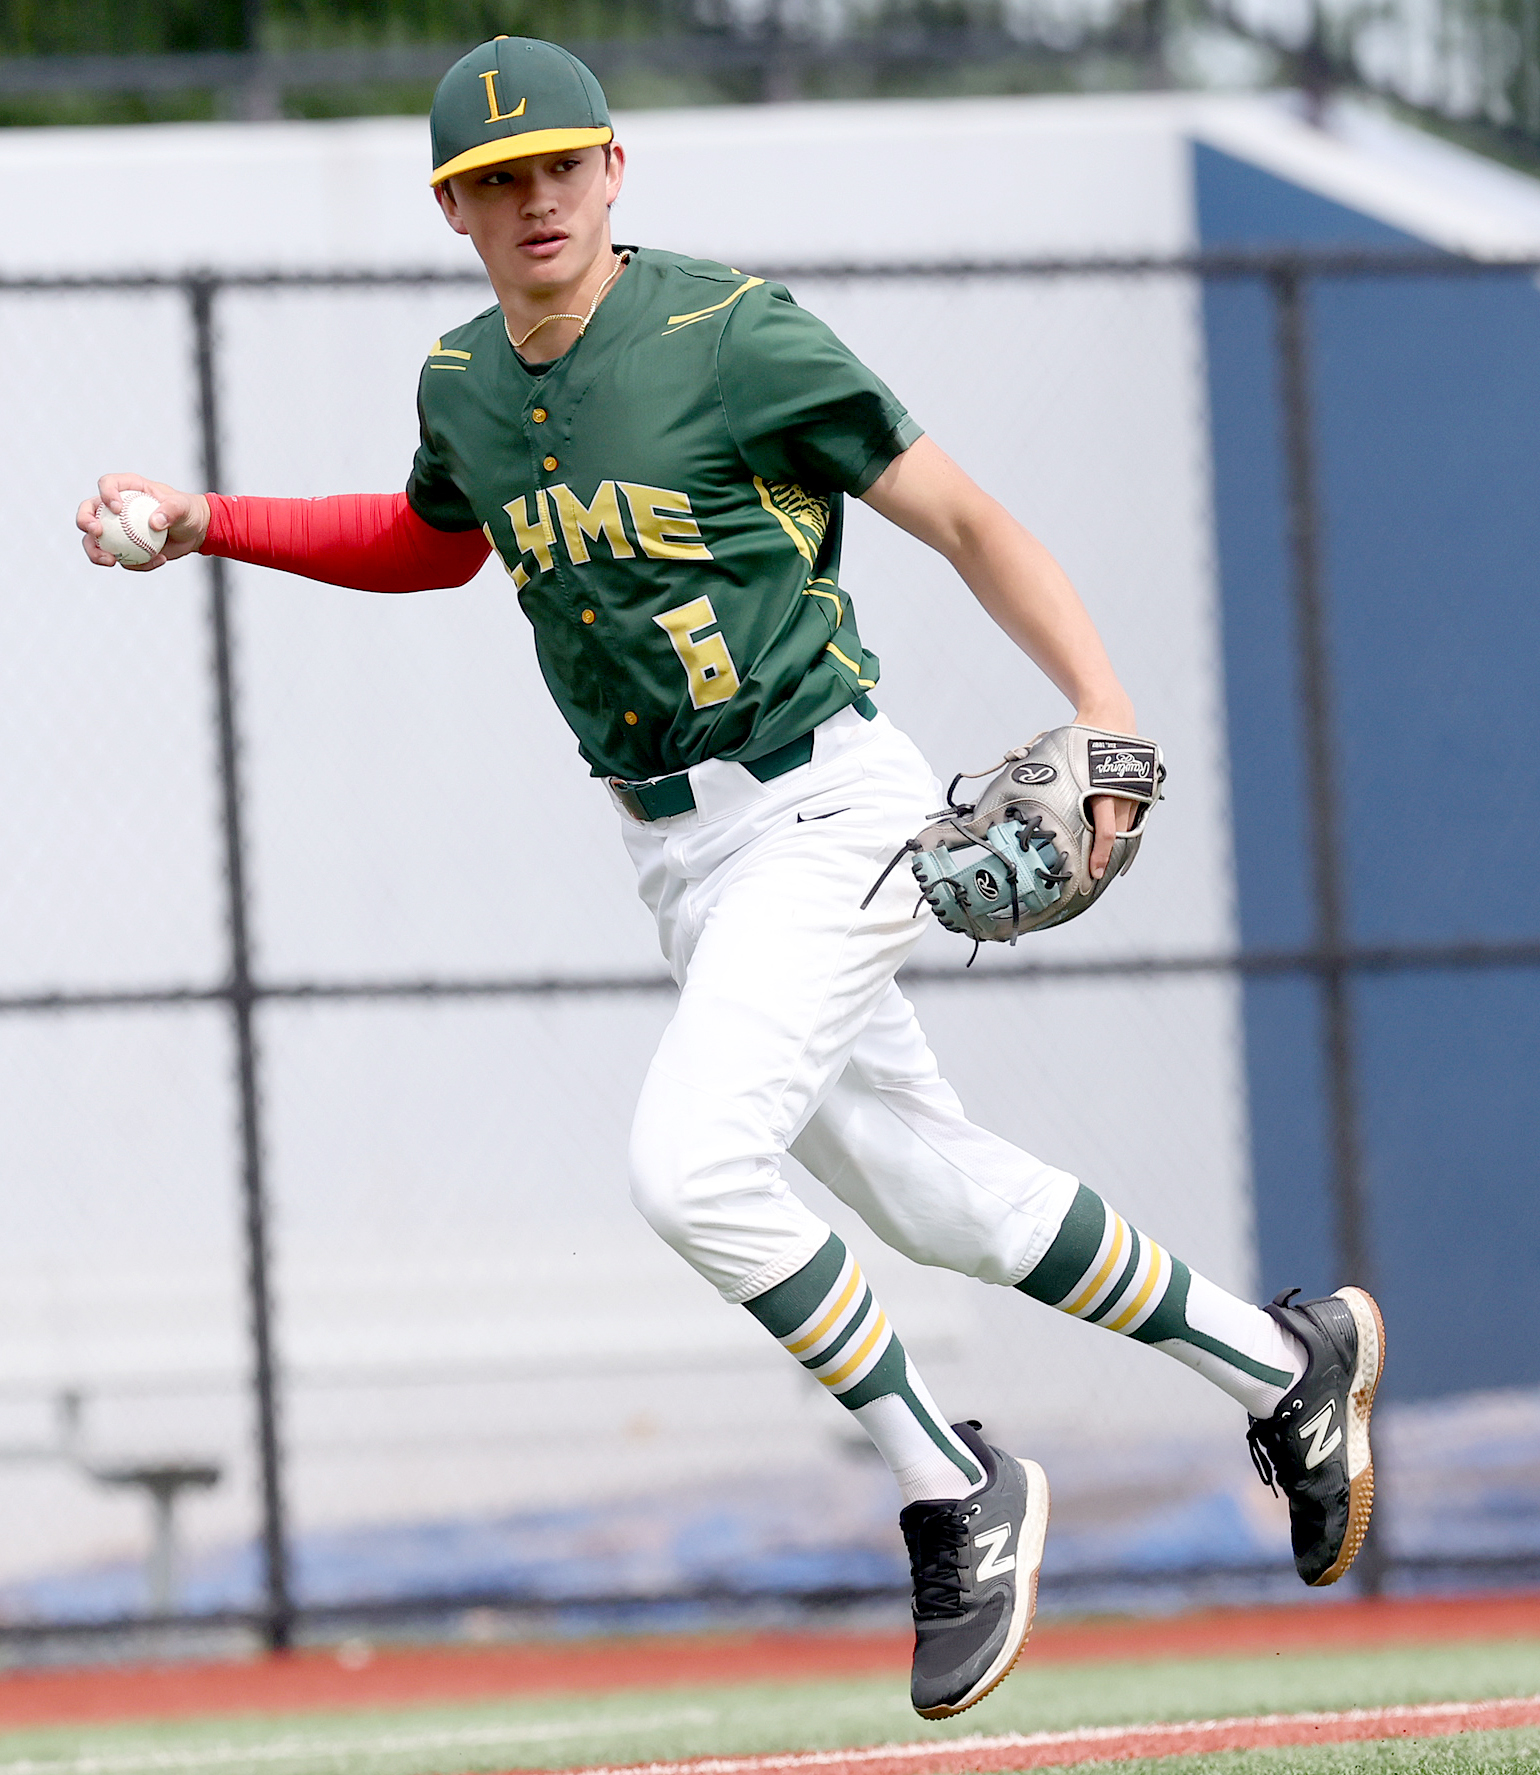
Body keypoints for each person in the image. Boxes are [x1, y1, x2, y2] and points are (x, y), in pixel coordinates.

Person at [78, 36, 1384, 1717]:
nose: (532, 197)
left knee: (691, 1167)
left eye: (558, 163)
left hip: (829, 812)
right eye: (495, 179)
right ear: (451, 210)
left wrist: (1105, 711)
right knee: (928, 1194)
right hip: (679, 858)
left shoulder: (731, 333)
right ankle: (1287, 1366)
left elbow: (968, 519)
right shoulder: (464, 382)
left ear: (616, 167)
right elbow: (430, 538)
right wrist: (207, 521)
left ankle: (948, 1481)